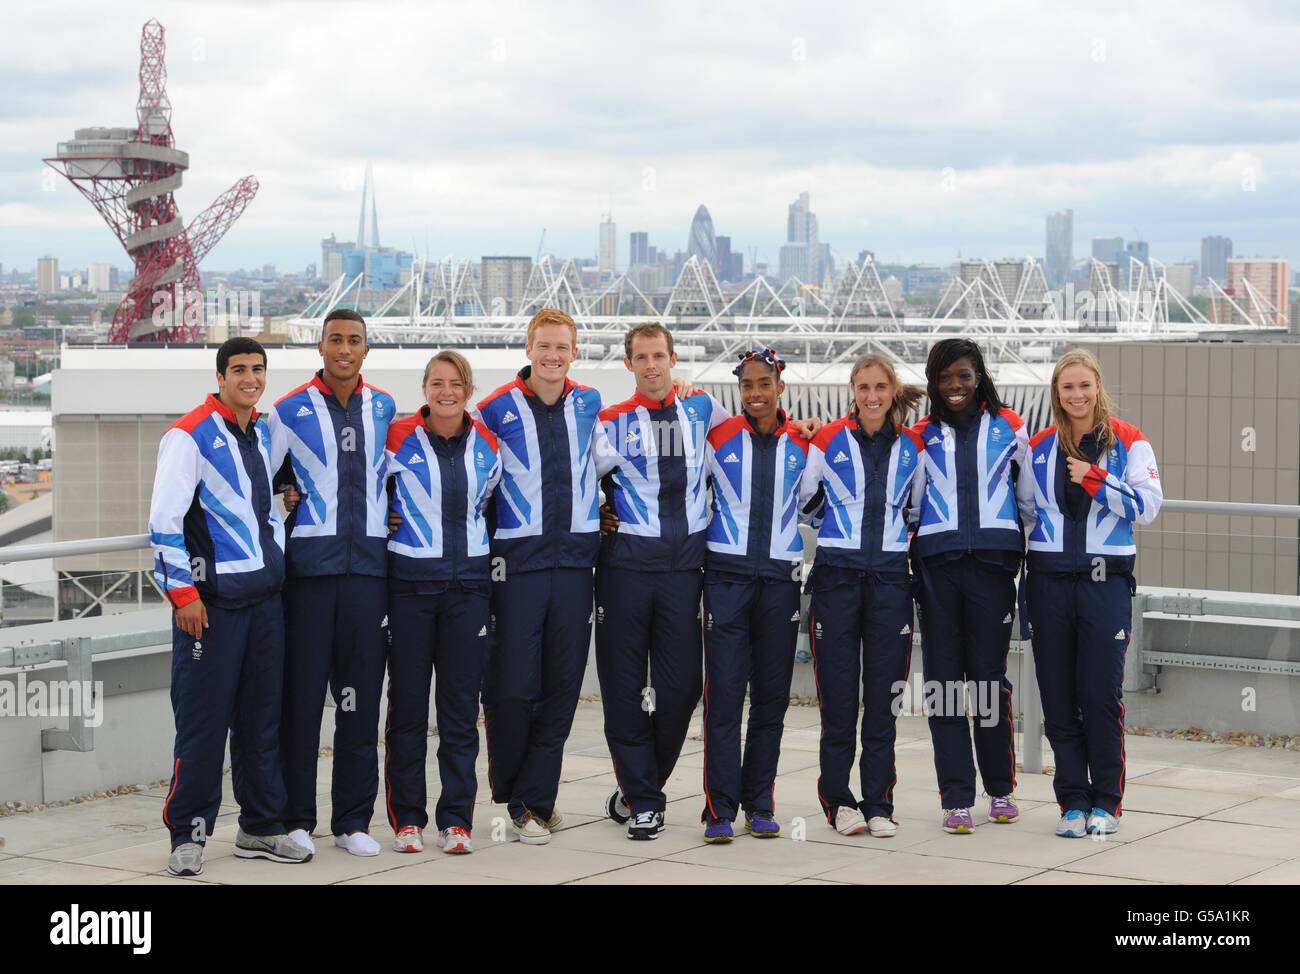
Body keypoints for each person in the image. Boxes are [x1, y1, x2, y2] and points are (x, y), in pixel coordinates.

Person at [596, 326, 820, 840]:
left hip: (688, 575)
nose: (651, 365)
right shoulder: (608, 421)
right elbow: (571, 479)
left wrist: (808, 429)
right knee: (630, 694)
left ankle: (649, 787)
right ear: (629, 363)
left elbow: (782, 444)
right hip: (628, 572)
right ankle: (657, 802)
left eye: (659, 356)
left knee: (685, 690)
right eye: (641, 357)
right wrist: (604, 510)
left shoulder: (703, 413)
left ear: (673, 359)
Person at [149, 337, 310, 876]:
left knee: (262, 722)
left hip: (266, 603)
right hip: (210, 609)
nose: (250, 378)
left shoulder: (263, 432)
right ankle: (187, 835)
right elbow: (165, 526)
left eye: (258, 369)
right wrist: (184, 596)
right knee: (203, 724)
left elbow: (262, 505)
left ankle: (261, 826)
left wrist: (286, 498)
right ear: (220, 376)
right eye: (239, 369)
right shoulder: (188, 435)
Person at [476, 308, 618, 845]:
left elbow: (611, 469)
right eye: (544, 346)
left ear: (574, 352)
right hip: (517, 566)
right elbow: (466, 475)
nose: (552, 356)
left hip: (576, 565)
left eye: (562, 347)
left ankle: (536, 801)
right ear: (528, 349)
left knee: (562, 689)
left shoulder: (589, 403)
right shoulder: (494, 410)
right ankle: (516, 790)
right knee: (512, 688)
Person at [265, 309, 396, 859]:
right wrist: (286, 494)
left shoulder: (385, 406)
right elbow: (259, 475)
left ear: (367, 349)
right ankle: (297, 817)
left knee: (360, 703)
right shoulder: (287, 410)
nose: (345, 349)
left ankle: (352, 820)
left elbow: (398, 468)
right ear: (320, 347)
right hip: (309, 577)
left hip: (369, 575)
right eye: (335, 340)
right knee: (300, 703)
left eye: (355, 341)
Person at [1016, 348, 1161, 838]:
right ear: (1056, 394)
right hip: (1048, 582)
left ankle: (1108, 802)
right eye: (1066, 387)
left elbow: (1147, 509)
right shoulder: (1038, 447)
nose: (1076, 395)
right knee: (1057, 698)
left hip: (1106, 583)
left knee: (1100, 695)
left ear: (1098, 386)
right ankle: (1072, 802)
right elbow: (1026, 512)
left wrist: (1097, 480)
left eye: (1084, 385)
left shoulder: (1129, 442)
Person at [800, 353, 925, 838]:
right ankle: (839, 802)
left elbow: (914, 513)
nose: (872, 396)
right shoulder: (827, 439)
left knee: (882, 700)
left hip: (892, 582)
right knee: (838, 702)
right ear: (852, 390)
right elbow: (808, 506)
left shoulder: (913, 446)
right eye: (863, 387)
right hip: (835, 580)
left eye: (880, 387)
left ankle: (878, 803)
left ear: (893, 391)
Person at [384, 351, 502, 855]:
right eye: (437, 383)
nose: (446, 391)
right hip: (409, 588)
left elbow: (491, 507)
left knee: (458, 714)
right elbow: (362, 488)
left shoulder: (488, 445)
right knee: (408, 710)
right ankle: (407, 819)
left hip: (468, 592)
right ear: (425, 388)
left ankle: (457, 820)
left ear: (468, 390)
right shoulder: (396, 437)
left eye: (455, 383)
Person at [909, 338, 1028, 834]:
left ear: (978, 376)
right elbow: (909, 505)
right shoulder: (918, 436)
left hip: (993, 570)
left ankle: (1000, 789)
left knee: (987, 680)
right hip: (936, 569)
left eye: (963, 375)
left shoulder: (1011, 427)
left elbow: (1031, 500)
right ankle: (955, 797)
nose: (954, 386)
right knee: (941, 684)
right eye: (944, 377)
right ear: (934, 382)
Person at [697, 347, 811, 842]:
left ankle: (758, 803)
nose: (756, 393)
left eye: (764, 384)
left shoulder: (804, 444)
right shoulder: (716, 437)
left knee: (770, 702)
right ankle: (718, 809)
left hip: (781, 585)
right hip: (725, 579)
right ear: (738, 390)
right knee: (723, 700)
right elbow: (672, 486)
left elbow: (818, 508)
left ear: (780, 386)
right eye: (747, 386)